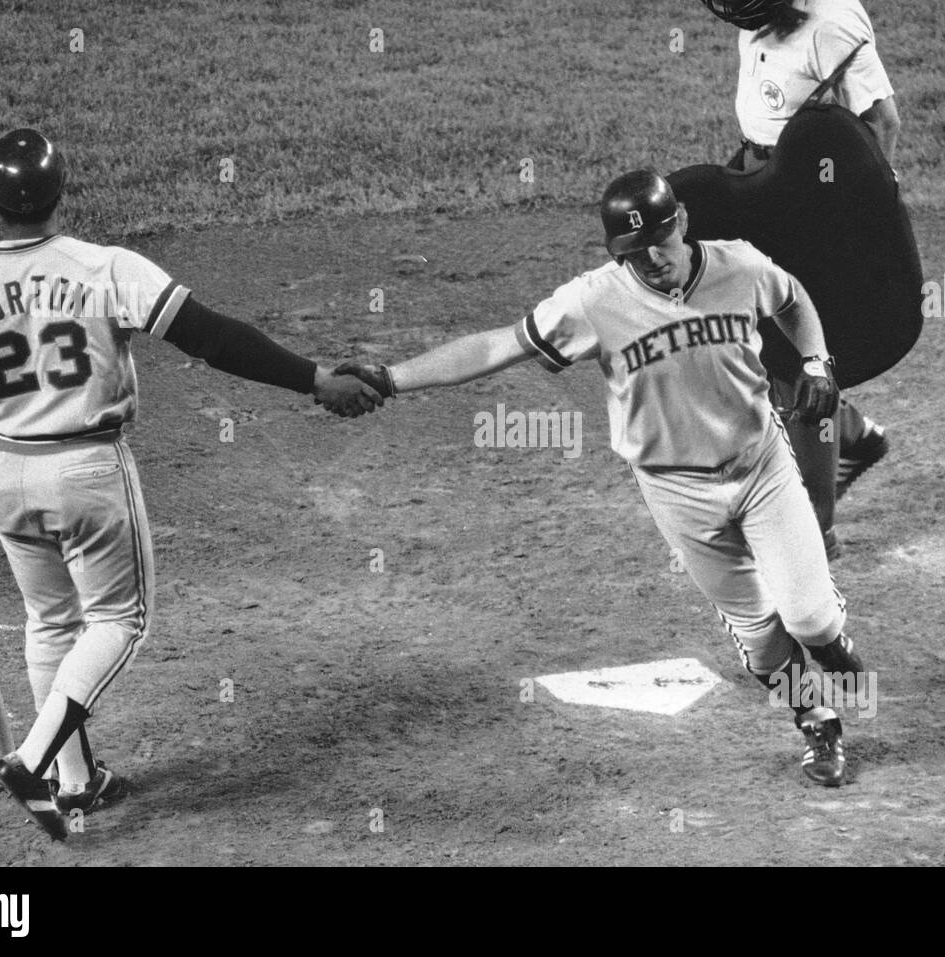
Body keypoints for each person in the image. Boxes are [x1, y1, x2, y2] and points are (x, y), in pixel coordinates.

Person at [0, 129, 382, 841]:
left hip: (3, 473)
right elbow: (211, 337)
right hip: (86, 469)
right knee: (120, 621)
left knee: (50, 621)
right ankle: (31, 758)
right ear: (61, 191)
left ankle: (76, 781)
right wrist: (313, 379)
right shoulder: (103, 266)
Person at [338, 170, 868, 786]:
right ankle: (816, 719)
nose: (651, 261)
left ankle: (831, 639)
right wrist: (392, 376)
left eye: (660, 244)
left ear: (683, 223)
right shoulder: (593, 301)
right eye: (632, 254)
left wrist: (815, 360)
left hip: (761, 465)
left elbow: (794, 299)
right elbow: (496, 348)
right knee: (761, 640)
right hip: (677, 491)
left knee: (810, 622)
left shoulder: (740, 267)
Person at [700, 0, 901, 556]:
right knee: (745, 335)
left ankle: (818, 529)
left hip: (814, 192)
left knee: (798, 365)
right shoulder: (763, 13)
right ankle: (855, 436)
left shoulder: (832, 21)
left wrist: (864, 214)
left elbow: (882, 122)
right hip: (755, 174)